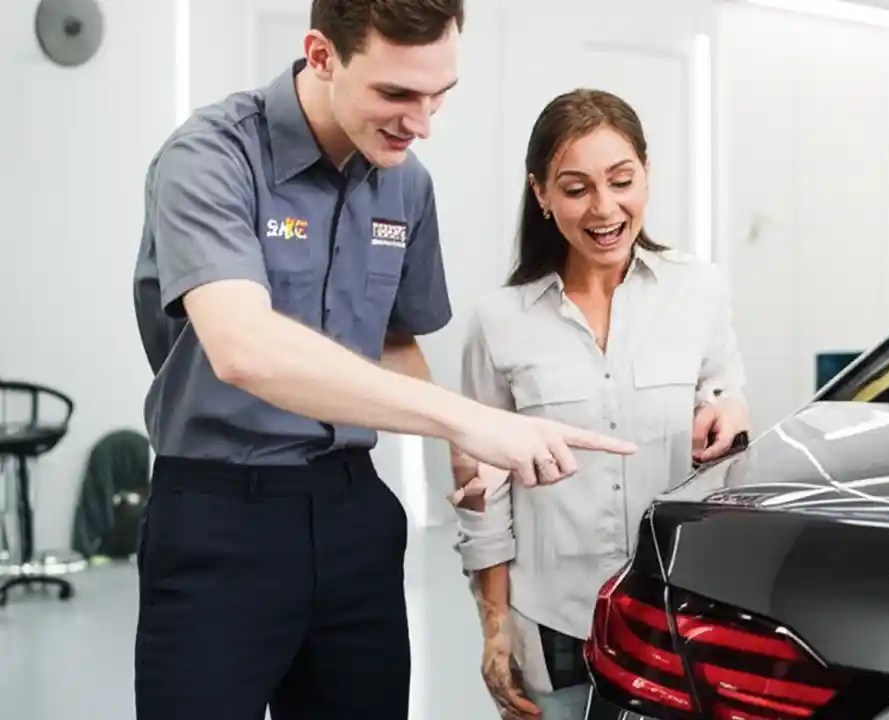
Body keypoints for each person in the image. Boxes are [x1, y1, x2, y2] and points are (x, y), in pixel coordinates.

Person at [129, 2, 634, 719]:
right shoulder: (211, 156)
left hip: (350, 511)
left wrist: (463, 447)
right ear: (322, 54)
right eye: (397, 94)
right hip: (219, 513)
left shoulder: (406, 183)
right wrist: (468, 419)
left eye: (439, 96)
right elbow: (242, 347)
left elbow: (393, 339)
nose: (421, 123)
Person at [450, 89, 751, 720]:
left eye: (621, 180)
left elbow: (723, 399)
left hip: (677, 612)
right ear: (541, 194)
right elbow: (482, 492)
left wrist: (732, 415)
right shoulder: (499, 321)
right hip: (558, 618)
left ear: (647, 172)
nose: (604, 208)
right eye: (576, 187)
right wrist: (495, 627)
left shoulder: (698, 290)